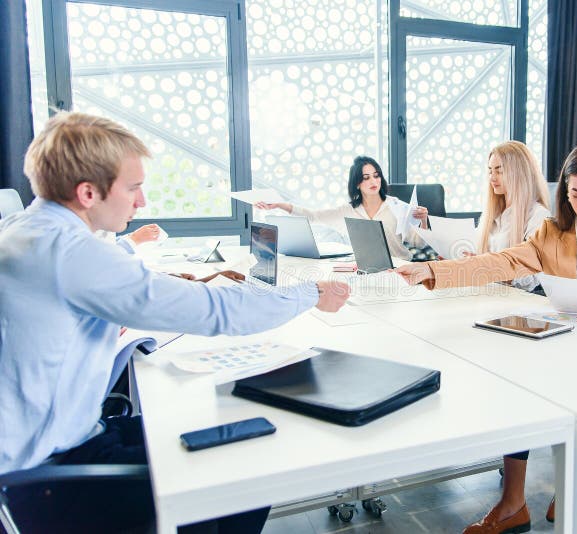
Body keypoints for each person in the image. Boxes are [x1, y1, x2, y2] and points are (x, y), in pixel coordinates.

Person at [0, 111, 350, 533]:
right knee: (248, 457)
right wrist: (311, 292)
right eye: (133, 188)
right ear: (88, 193)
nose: (141, 201)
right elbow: (216, 310)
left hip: (57, 446)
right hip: (50, 477)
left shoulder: (23, 228)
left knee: (216, 427)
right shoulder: (69, 253)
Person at [395, 140, 577, 534]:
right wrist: (434, 272)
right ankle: (516, 502)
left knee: (541, 381)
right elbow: (503, 262)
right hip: (575, 342)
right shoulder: (553, 231)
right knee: (515, 375)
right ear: (564, 192)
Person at [255, 156, 428, 260]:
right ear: (357, 183)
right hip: (368, 273)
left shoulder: (397, 206)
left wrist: (423, 220)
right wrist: (279, 205)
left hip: (400, 270)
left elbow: (419, 243)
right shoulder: (349, 210)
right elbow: (314, 216)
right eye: (366, 177)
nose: (373, 181)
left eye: (376, 176)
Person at [473, 140, 550, 290]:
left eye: (499, 171)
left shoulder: (538, 216)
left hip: (518, 301)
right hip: (489, 293)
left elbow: (533, 276)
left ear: (518, 173)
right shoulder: (493, 213)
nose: (492, 178)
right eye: (490, 171)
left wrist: (489, 268)